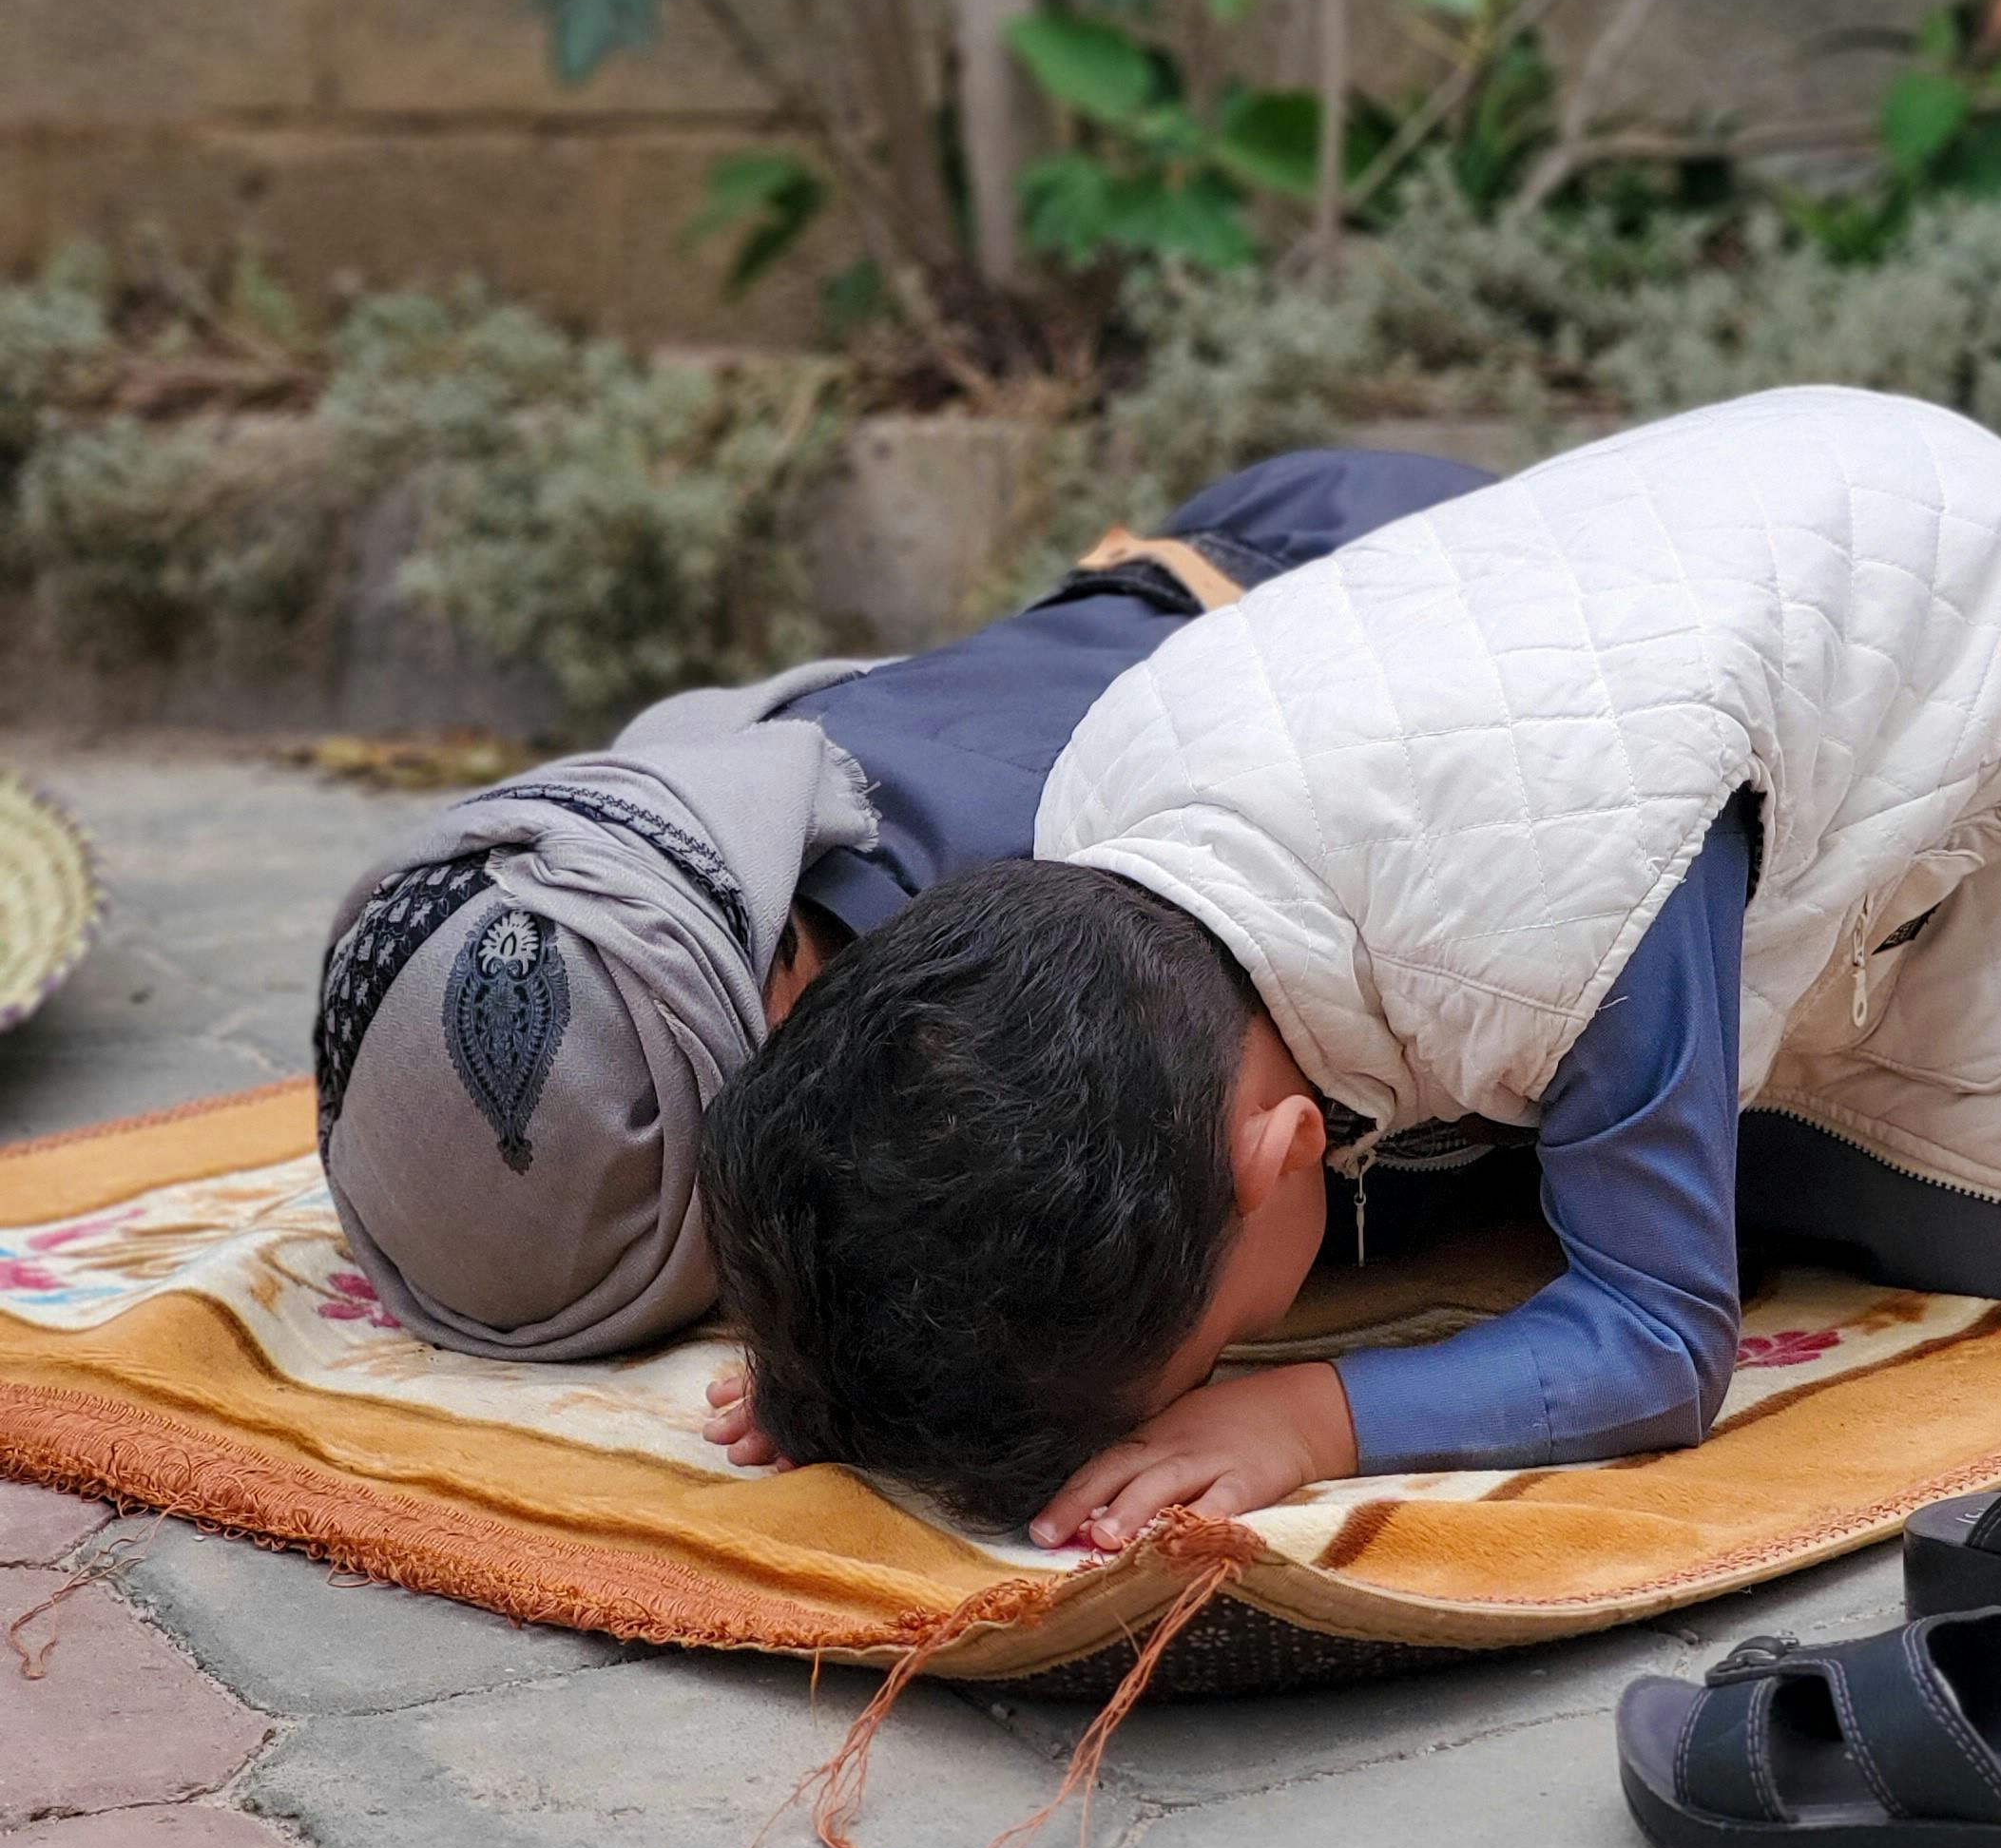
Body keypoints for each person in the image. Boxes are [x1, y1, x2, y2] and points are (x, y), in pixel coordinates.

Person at [695, 386, 2001, 1544]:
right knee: (1648, 1154)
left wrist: (1303, 1423)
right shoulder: (1099, 809)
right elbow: (948, 1115)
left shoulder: (1547, 928)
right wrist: (846, 1361)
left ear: (1284, 1152)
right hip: (1708, 571)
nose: (1214, 1380)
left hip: (1957, 597)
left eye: (1204, 1349)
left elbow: (1660, 1339)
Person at [310, 447, 1491, 1361]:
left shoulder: (1073, 957)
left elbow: (1256, 1210)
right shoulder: (734, 783)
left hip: (1422, 572)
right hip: (1289, 512)